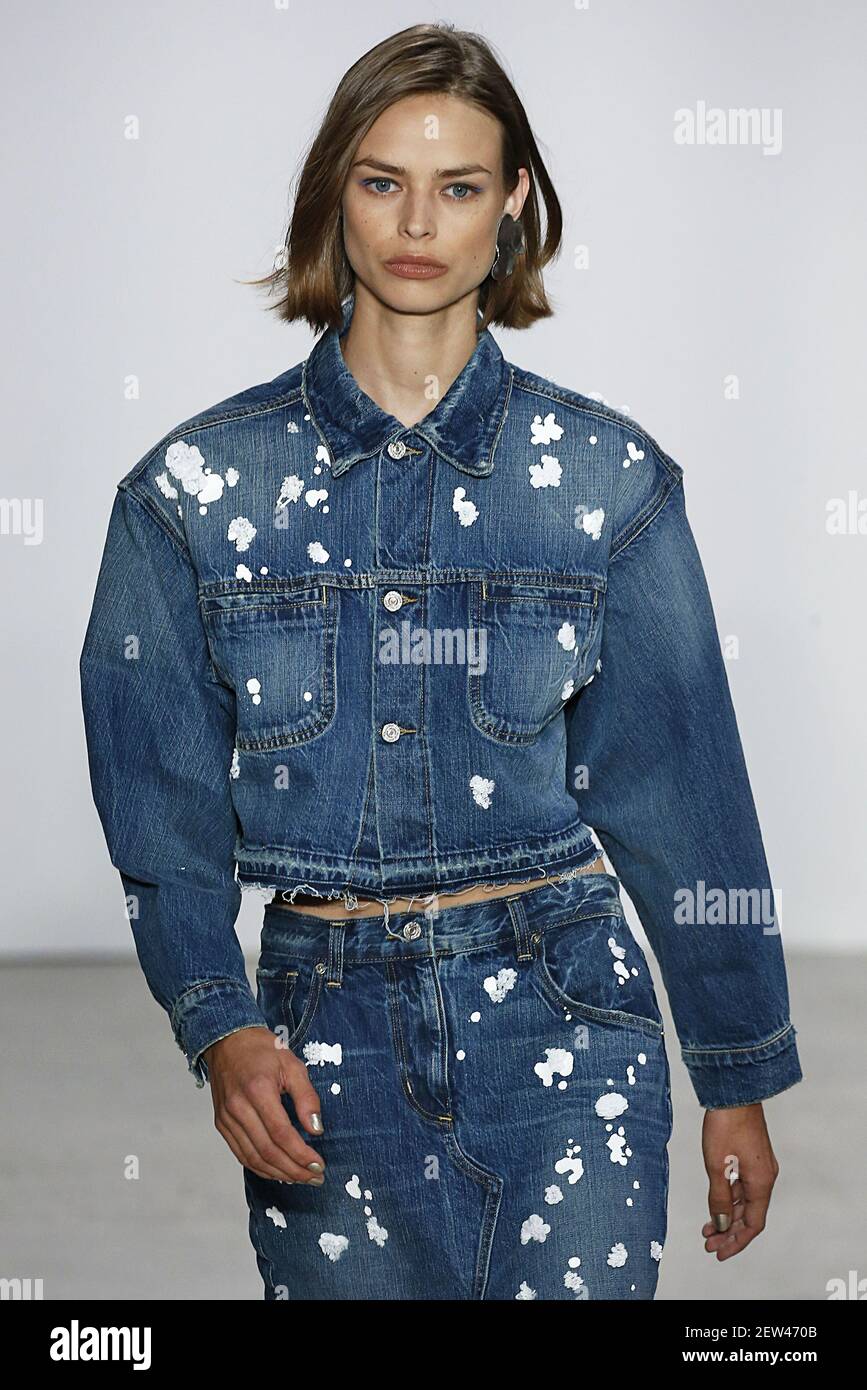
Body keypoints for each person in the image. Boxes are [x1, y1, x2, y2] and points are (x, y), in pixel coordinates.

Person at [79, 23, 802, 1301]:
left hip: (569, 1021)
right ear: (333, 196)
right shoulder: (190, 493)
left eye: (460, 185)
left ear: (513, 202)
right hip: (320, 1047)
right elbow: (161, 807)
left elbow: (684, 798)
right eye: (381, 181)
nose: (419, 221)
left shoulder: (606, 486)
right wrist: (222, 1024)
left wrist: (737, 1075)